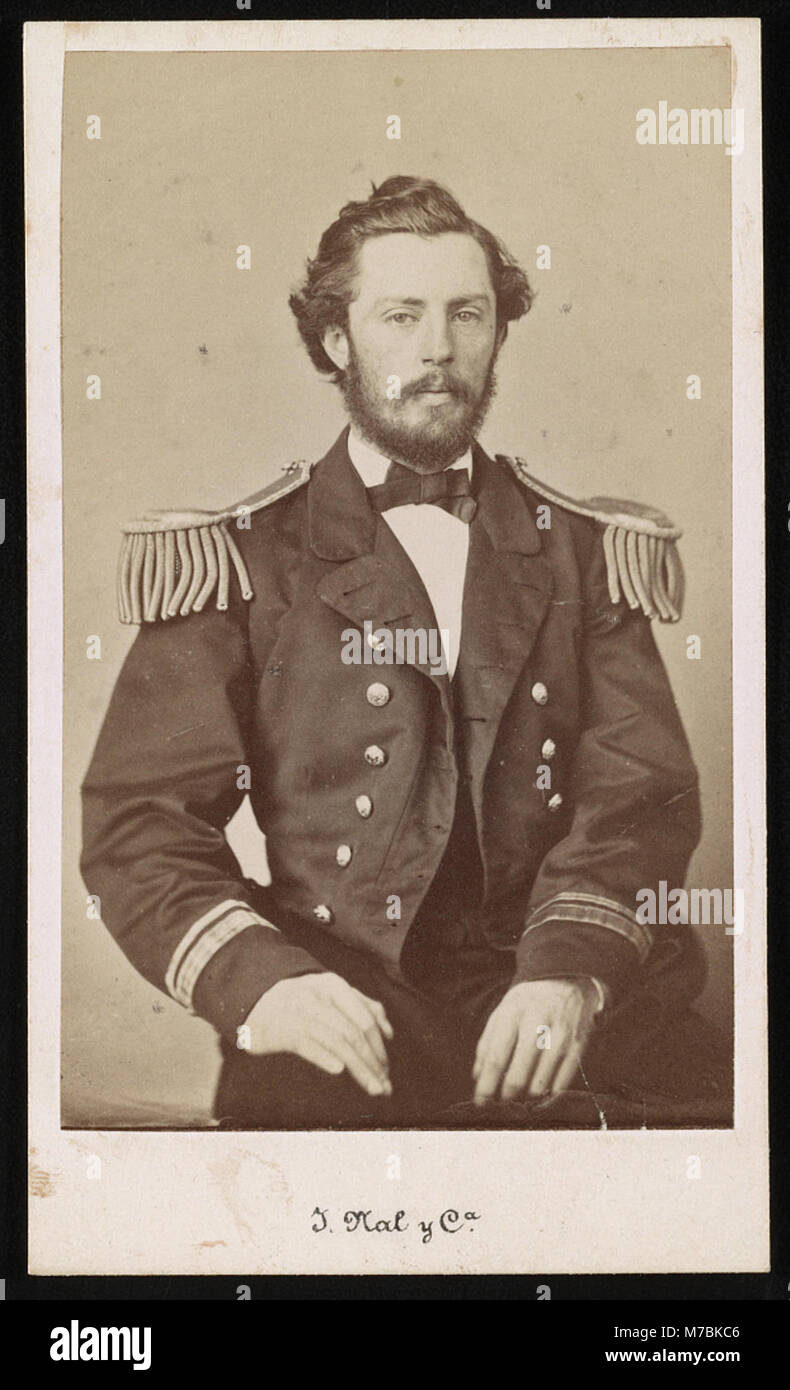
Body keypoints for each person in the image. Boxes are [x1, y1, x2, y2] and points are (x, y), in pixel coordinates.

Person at [81, 176, 730, 1129]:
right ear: (336, 342)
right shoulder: (236, 560)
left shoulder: (590, 553)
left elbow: (640, 796)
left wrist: (572, 976)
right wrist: (261, 987)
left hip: (569, 981)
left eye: (467, 314)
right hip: (342, 993)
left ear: (498, 332)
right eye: (401, 316)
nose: (439, 350)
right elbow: (140, 822)